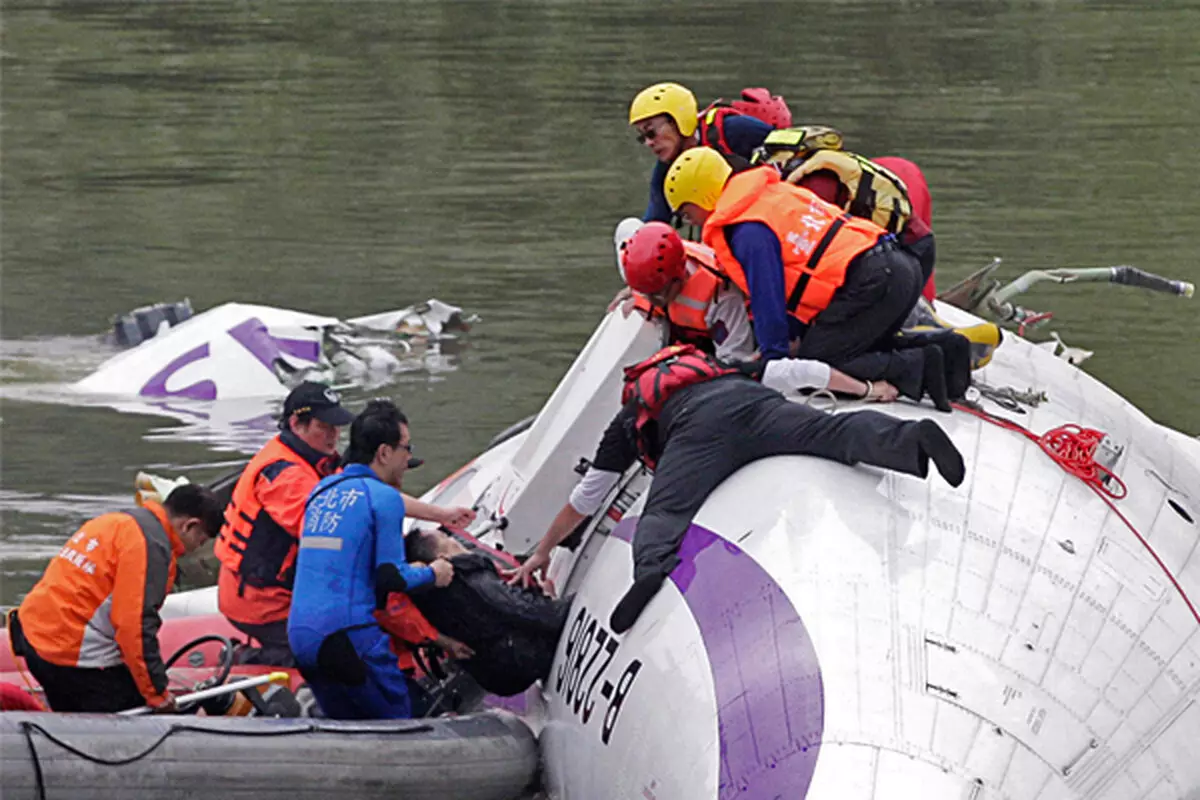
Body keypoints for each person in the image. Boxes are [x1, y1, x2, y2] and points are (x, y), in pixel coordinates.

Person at [507, 343, 965, 634]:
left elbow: (587, 497)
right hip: (757, 407)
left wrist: (544, 549)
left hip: (697, 438)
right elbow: (799, 371)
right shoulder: (721, 366)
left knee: (665, 513)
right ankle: (910, 440)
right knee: (834, 433)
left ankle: (649, 572)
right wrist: (866, 388)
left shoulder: (631, 418)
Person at [664, 147, 972, 411]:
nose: (687, 221)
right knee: (854, 345)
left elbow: (767, 296)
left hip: (873, 281)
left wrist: (775, 362)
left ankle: (921, 365)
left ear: (702, 195)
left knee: (817, 365)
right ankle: (947, 347)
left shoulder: (746, 230)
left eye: (685, 213)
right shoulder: (770, 194)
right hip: (896, 265)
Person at [215, 382, 474, 666]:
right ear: (296, 424)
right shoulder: (286, 477)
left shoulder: (317, 460)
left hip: (273, 586)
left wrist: (440, 515)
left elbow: (372, 494)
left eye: (337, 427)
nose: (334, 435)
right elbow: (338, 545)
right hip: (263, 601)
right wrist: (434, 634)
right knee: (347, 653)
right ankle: (261, 660)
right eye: (324, 426)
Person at [288, 399, 454, 720]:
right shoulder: (384, 498)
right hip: (348, 636)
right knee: (400, 728)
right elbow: (391, 578)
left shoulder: (320, 492)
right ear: (383, 453)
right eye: (406, 448)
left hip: (300, 637)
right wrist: (434, 572)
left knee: (345, 732)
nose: (408, 458)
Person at [617, 219, 899, 402]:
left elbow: (733, 360)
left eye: (658, 294)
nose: (654, 300)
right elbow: (646, 267)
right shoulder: (661, 266)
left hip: (754, 340)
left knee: (767, 369)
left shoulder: (720, 297)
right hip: (702, 331)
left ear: (679, 277)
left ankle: (887, 376)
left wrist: (870, 391)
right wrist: (639, 296)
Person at [10, 484, 224, 712]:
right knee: (136, 713)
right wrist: (157, 694)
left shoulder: (118, 522)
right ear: (189, 526)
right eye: (200, 541)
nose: (194, 549)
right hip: (69, 655)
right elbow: (135, 626)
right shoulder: (150, 547)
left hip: (34, 636)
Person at [751, 127, 940, 300]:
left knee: (903, 315)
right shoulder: (826, 170)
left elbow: (816, 245)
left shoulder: (817, 184)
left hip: (909, 250)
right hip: (901, 246)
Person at [407, 529, 570, 697]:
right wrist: (555, 604)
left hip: (497, 677)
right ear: (441, 557)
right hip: (523, 660)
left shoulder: (430, 597)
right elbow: (520, 608)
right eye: (445, 537)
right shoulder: (469, 576)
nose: (453, 538)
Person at [630, 82, 781, 224]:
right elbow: (655, 221)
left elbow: (791, 149)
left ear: (677, 121)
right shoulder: (667, 170)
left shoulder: (733, 130)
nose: (649, 143)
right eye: (642, 137)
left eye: (651, 132)